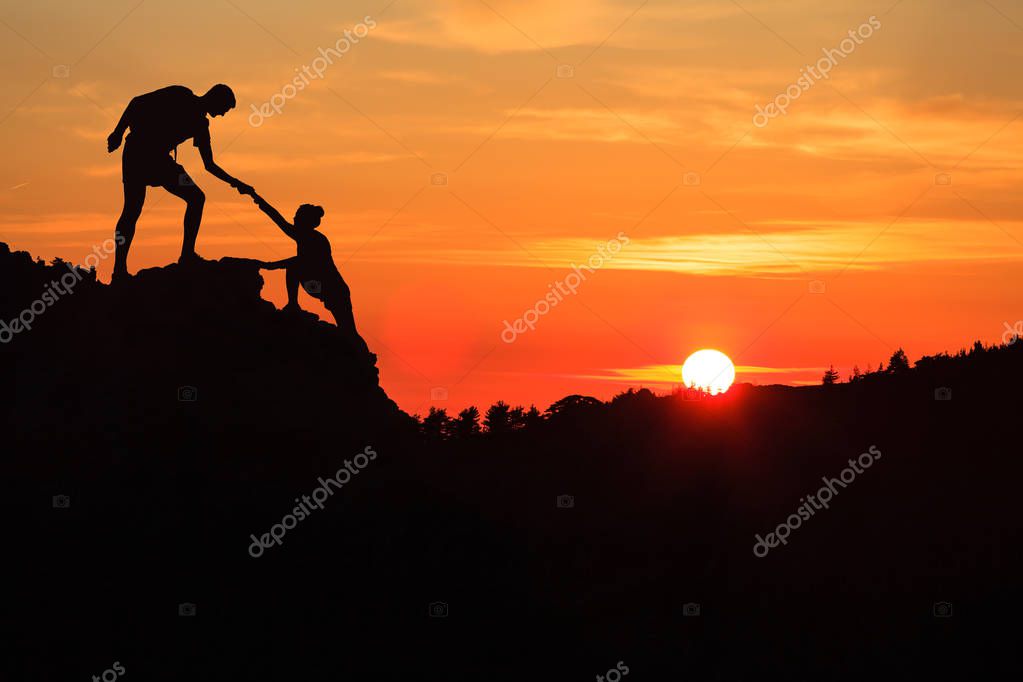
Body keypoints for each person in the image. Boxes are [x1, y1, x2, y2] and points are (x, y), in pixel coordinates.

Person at [107, 84, 254, 282]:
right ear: (216, 99)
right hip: (138, 152)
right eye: (224, 109)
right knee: (132, 209)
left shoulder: (201, 126)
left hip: (161, 161)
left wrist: (236, 183)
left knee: (196, 198)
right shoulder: (180, 94)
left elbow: (209, 165)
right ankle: (119, 271)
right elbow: (136, 102)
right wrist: (118, 132)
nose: (222, 115)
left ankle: (186, 256)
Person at [250, 191, 367, 351]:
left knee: (348, 331)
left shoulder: (314, 239)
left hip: (331, 291)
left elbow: (298, 261)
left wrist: (269, 265)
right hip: (316, 286)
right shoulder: (306, 236)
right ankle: (293, 304)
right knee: (347, 331)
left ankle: (362, 356)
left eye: (297, 216)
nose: (294, 218)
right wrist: (256, 199)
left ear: (306, 221)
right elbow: (278, 220)